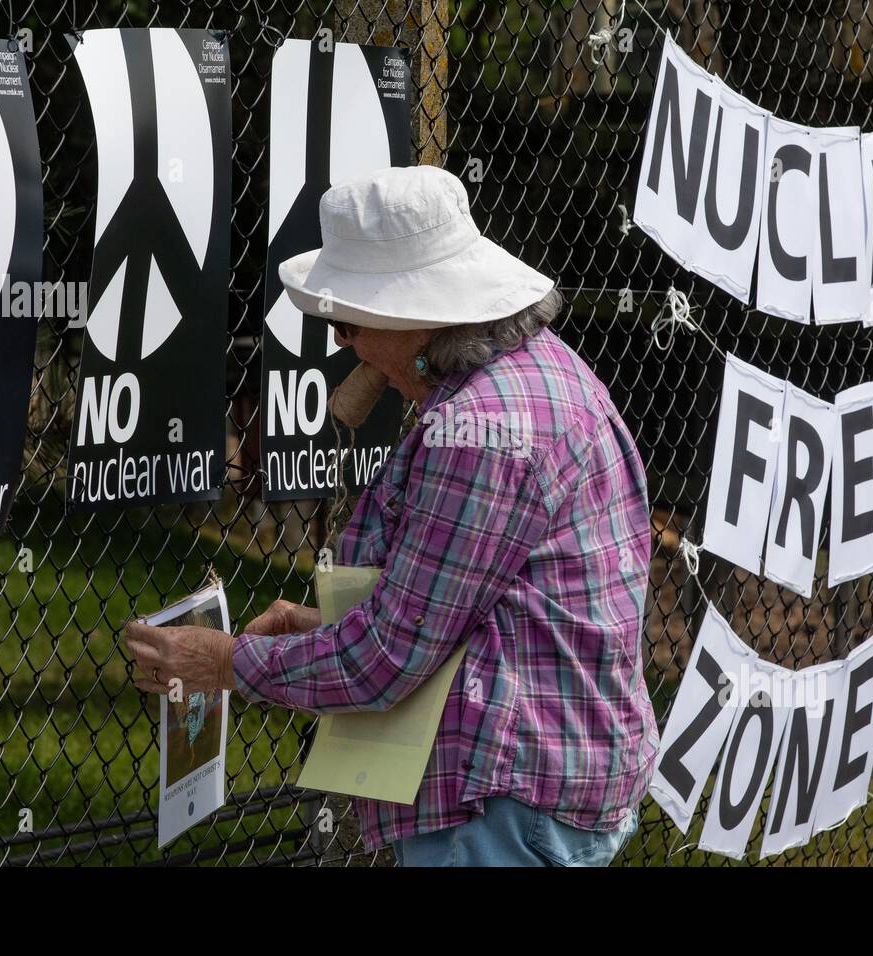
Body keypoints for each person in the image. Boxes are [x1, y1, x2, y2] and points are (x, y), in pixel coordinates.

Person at [124, 164, 659, 867]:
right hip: (562, 774)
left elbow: (389, 659)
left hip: (503, 807)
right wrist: (326, 629)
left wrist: (223, 662)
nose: (344, 344)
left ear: (413, 318)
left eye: (348, 322)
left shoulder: (478, 429)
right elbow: (492, 614)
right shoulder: (549, 374)